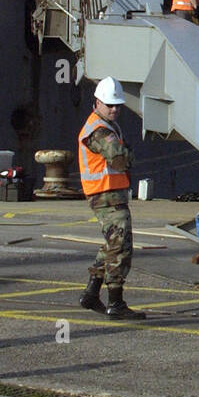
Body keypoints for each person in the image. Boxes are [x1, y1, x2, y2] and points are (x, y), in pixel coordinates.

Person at [77, 77, 146, 320]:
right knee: (121, 245)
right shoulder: (99, 131)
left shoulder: (105, 125)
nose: (115, 109)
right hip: (104, 194)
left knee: (111, 243)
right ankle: (115, 303)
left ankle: (92, 293)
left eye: (118, 105)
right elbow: (119, 157)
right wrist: (128, 154)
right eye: (110, 105)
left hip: (110, 193)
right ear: (97, 102)